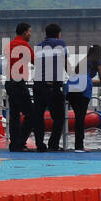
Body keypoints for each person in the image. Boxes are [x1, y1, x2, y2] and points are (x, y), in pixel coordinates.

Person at [31, 23, 68, 151]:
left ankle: (40, 145)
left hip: (38, 85)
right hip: (54, 86)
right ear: (58, 34)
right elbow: (65, 63)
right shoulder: (61, 44)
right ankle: (53, 144)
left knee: (38, 116)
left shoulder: (38, 47)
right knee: (59, 117)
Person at [65, 45, 101, 152]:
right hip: (83, 90)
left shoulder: (82, 61)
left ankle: (78, 145)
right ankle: (79, 146)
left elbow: (81, 76)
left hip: (71, 88)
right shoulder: (98, 61)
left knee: (77, 117)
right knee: (80, 118)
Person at [4, 22, 35, 151]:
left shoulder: (9, 45)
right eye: (29, 32)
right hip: (18, 83)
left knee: (15, 115)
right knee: (32, 114)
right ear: (24, 32)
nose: (30, 34)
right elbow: (35, 61)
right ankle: (20, 142)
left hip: (9, 82)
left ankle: (14, 143)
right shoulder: (23, 45)